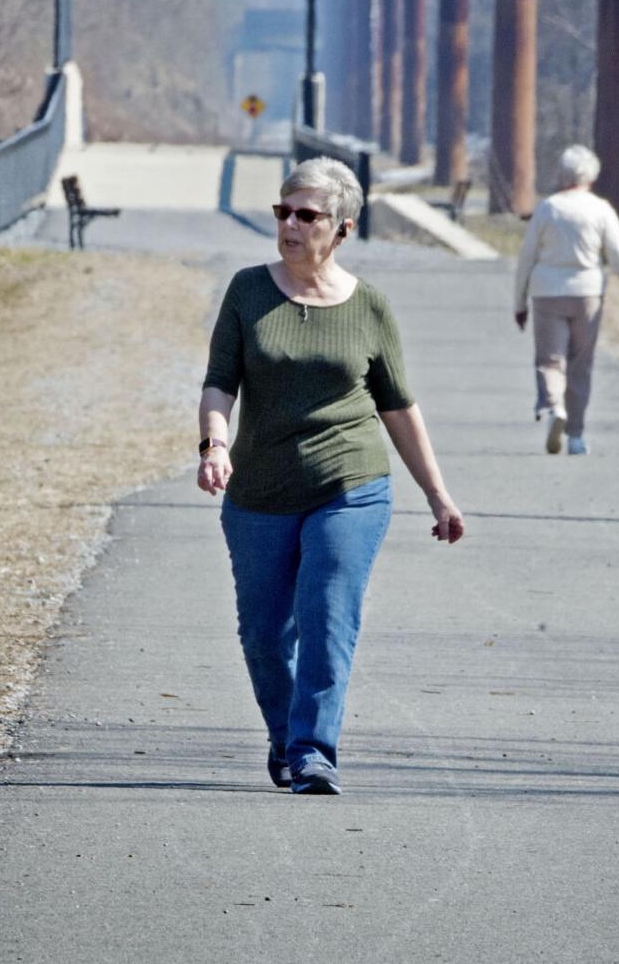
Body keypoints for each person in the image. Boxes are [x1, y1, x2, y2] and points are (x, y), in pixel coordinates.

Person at [197, 157, 464, 796]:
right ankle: (287, 735)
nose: (290, 225)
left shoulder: (370, 306)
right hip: (259, 490)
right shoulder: (247, 291)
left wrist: (437, 495)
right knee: (265, 636)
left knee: (326, 615)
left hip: (351, 487)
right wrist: (214, 444)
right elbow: (219, 382)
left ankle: (314, 750)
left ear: (342, 228)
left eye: (307, 215)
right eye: (283, 212)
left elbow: (398, 407)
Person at [513, 145, 619, 455]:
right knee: (580, 364)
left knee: (550, 361)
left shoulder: (548, 208)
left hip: (547, 291)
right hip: (588, 292)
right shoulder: (600, 209)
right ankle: (576, 436)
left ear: (562, 174)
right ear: (591, 177)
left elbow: (526, 257)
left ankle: (555, 406)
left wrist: (519, 302)